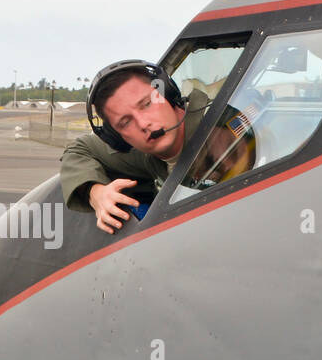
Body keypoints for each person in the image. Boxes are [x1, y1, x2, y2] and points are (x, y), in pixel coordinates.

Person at [60, 60, 258, 234]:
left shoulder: (220, 133)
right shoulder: (144, 153)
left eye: (146, 104)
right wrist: (96, 193)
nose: (143, 124)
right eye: (125, 122)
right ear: (118, 138)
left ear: (168, 94)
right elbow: (78, 149)